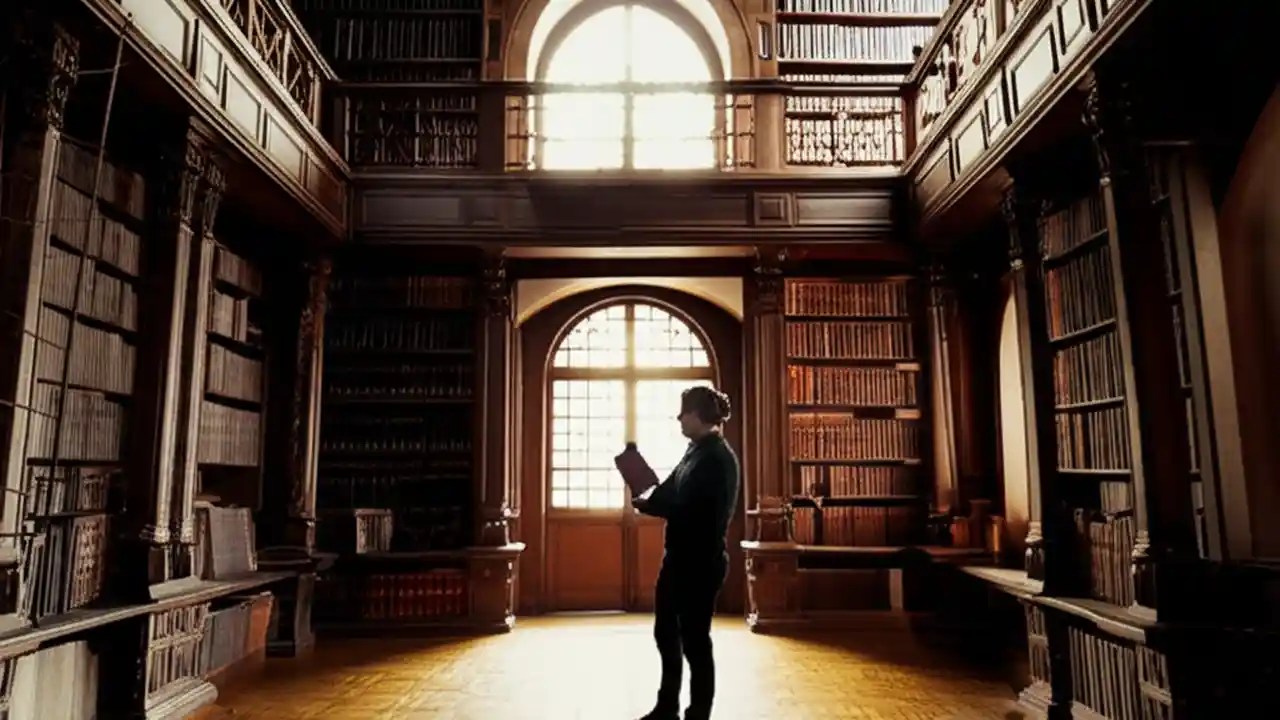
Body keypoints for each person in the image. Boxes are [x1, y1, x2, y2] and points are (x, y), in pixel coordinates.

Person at [632, 386, 740, 720]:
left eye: (683, 413)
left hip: (701, 562)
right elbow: (672, 490)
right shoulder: (695, 450)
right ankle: (667, 706)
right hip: (679, 559)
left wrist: (655, 505)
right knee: (665, 632)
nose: (679, 418)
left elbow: (697, 511)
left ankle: (699, 713)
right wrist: (647, 497)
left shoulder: (718, 457)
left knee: (695, 640)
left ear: (697, 415)